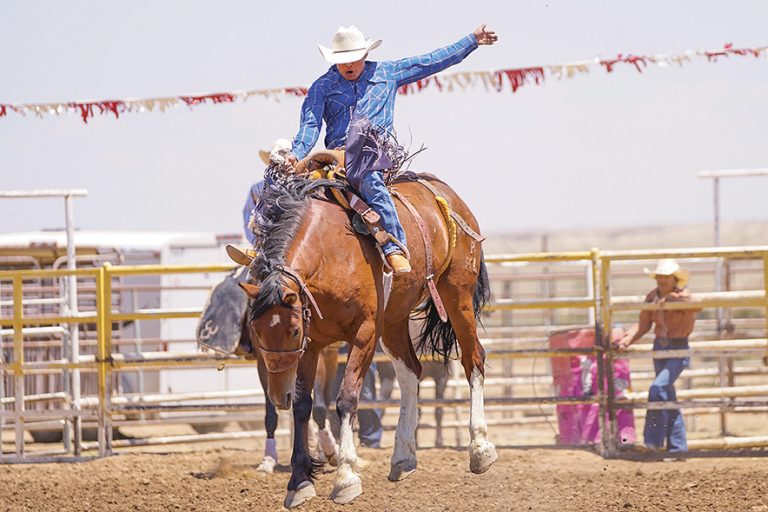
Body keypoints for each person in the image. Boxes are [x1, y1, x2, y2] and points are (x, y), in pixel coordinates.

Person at [285, 24, 498, 274]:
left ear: (365, 55)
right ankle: (269, 253)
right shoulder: (321, 87)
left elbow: (432, 61)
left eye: (353, 58)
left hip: (373, 150)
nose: (348, 65)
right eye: (342, 61)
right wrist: (295, 155)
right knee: (284, 187)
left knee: (369, 180)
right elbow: (309, 126)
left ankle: (394, 245)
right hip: (336, 157)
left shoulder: (388, 72)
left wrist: (471, 40)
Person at [616, 259, 700, 452]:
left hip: (678, 347)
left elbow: (696, 305)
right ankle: (677, 447)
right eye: (659, 276)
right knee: (666, 394)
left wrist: (673, 299)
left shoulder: (683, 296)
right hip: (660, 347)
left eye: (666, 277)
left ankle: (653, 441)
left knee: (657, 388)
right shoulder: (652, 297)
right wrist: (627, 339)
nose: (662, 280)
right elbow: (644, 323)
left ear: (674, 279)